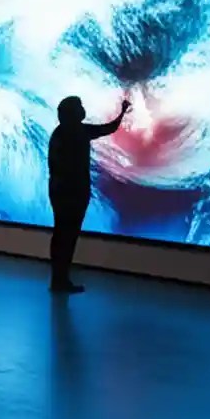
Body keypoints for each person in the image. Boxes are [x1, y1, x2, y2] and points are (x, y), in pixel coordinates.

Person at [48, 95, 130, 293]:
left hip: (61, 192)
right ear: (73, 113)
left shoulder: (62, 132)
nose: (83, 110)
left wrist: (122, 112)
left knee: (61, 235)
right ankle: (60, 281)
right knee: (67, 237)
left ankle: (58, 279)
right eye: (79, 107)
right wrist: (123, 111)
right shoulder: (78, 131)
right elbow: (108, 128)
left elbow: (108, 128)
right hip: (72, 193)